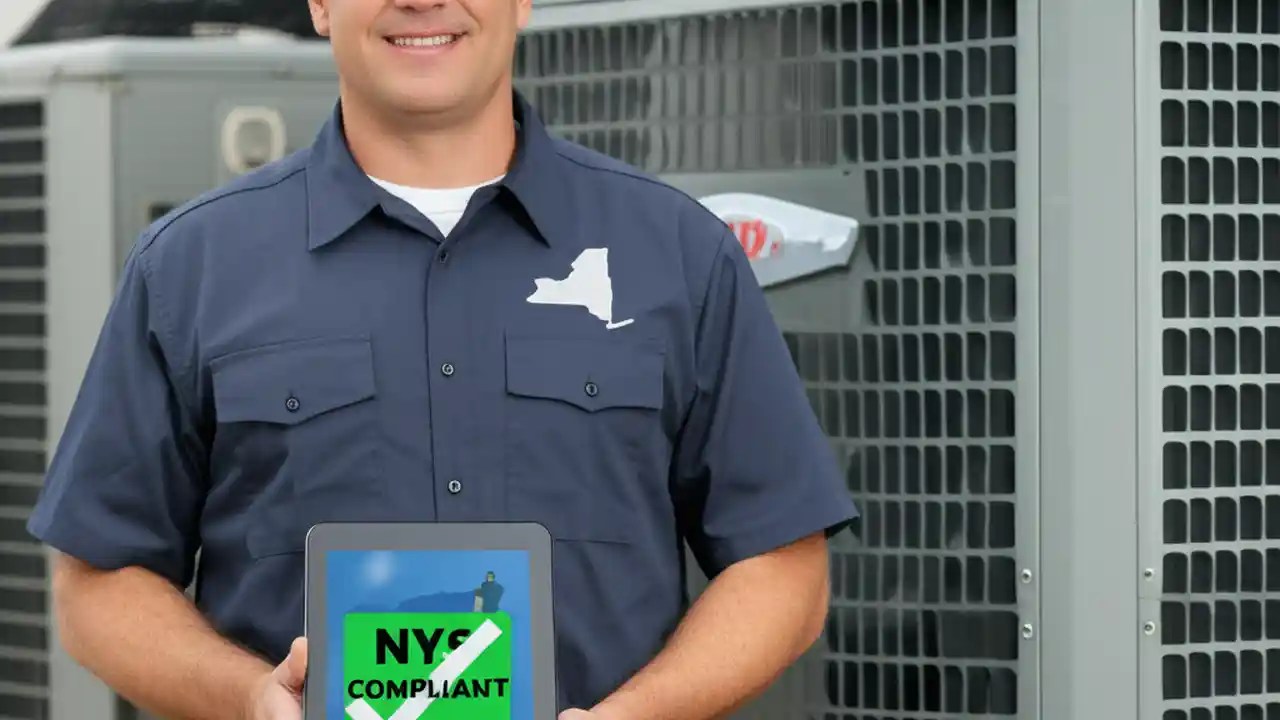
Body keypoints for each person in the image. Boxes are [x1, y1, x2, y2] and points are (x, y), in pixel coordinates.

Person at [26, 0, 858, 718]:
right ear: (319, 4)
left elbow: (784, 568)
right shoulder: (191, 267)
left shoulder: (678, 254)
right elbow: (98, 584)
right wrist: (249, 698)